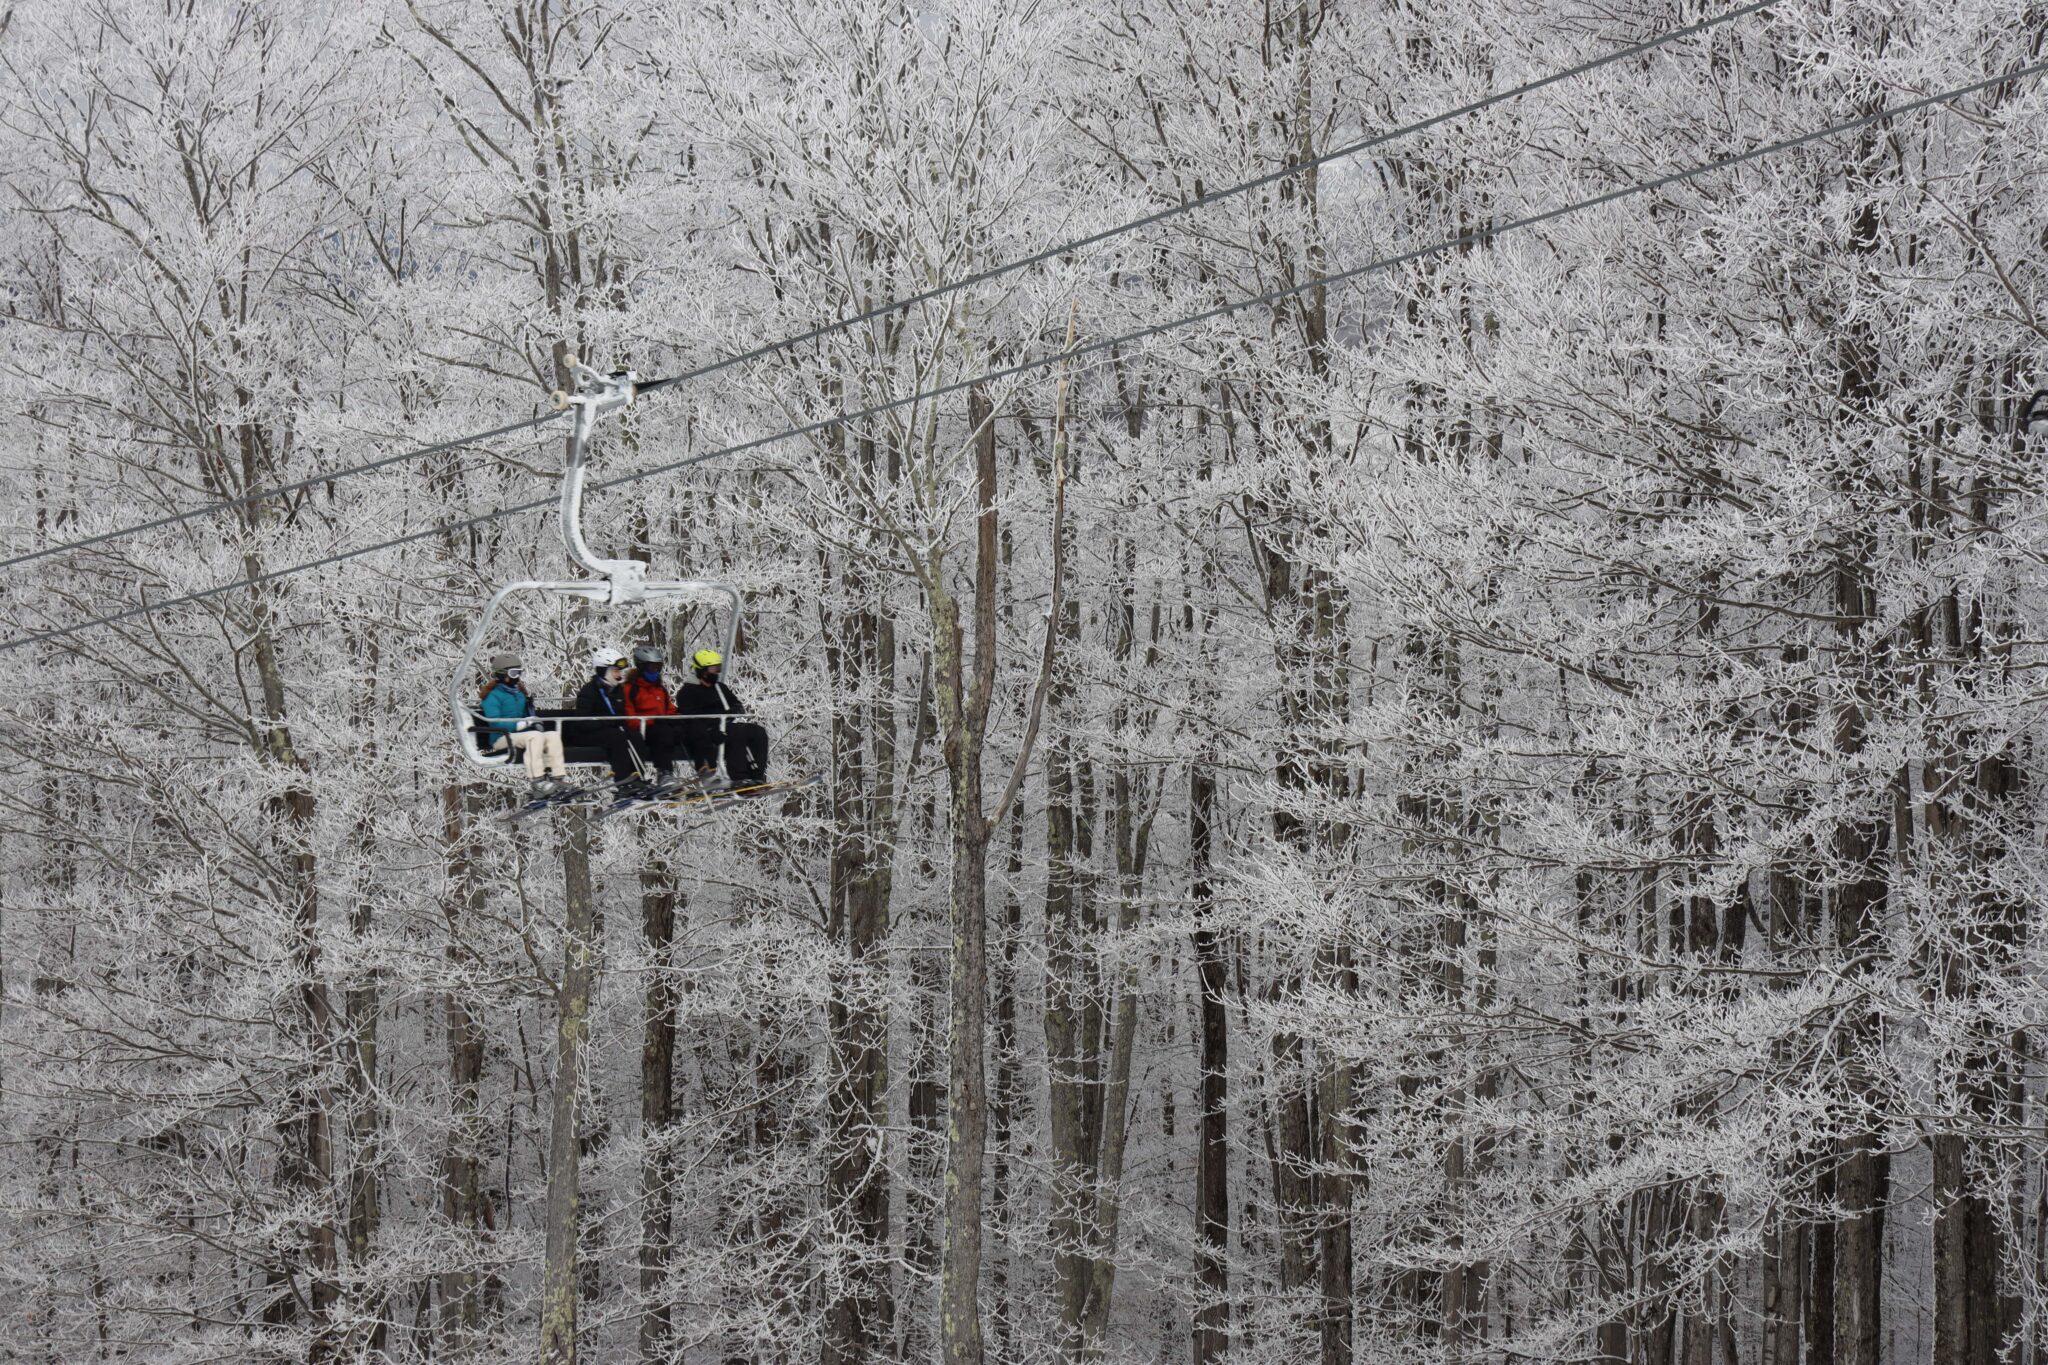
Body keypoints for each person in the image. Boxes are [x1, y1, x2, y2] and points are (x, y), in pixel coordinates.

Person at [675, 648, 768, 787]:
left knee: (757, 731)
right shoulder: (687, 692)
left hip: (724, 725)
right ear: (702, 671)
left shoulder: (720, 688)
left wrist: (733, 711)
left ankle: (757, 775)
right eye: (713, 669)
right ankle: (739, 777)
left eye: (718, 668)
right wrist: (714, 724)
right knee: (735, 733)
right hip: (703, 731)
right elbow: (691, 718)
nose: (717, 673)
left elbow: (736, 704)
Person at [479, 653, 568, 797]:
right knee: (534, 737)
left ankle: (556, 777)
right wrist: (521, 724)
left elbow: (525, 717)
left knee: (551, 735)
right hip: (500, 738)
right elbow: (495, 721)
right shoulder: (493, 696)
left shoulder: (519, 694)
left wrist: (533, 720)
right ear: (502, 675)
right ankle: (537, 781)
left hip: (518, 736)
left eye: (519, 672)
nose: (517, 677)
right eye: (514, 673)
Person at [573, 646, 656, 794]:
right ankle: (623, 781)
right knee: (617, 737)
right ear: (603, 671)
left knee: (634, 735)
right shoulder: (589, 691)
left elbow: (622, 714)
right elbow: (582, 721)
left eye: (619, 671)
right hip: (588, 733)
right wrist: (608, 722)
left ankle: (636, 777)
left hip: (612, 730)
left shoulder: (618, 691)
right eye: (615, 671)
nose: (619, 675)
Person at [621, 644, 691, 783]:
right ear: (641, 667)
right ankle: (664, 773)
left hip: (662, 729)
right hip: (643, 731)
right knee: (663, 732)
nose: (655, 671)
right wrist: (652, 721)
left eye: (658, 667)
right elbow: (629, 718)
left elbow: (669, 709)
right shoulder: (630, 689)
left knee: (689, 729)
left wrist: (677, 719)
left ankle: (707, 771)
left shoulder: (660, 689)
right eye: (651, 667)